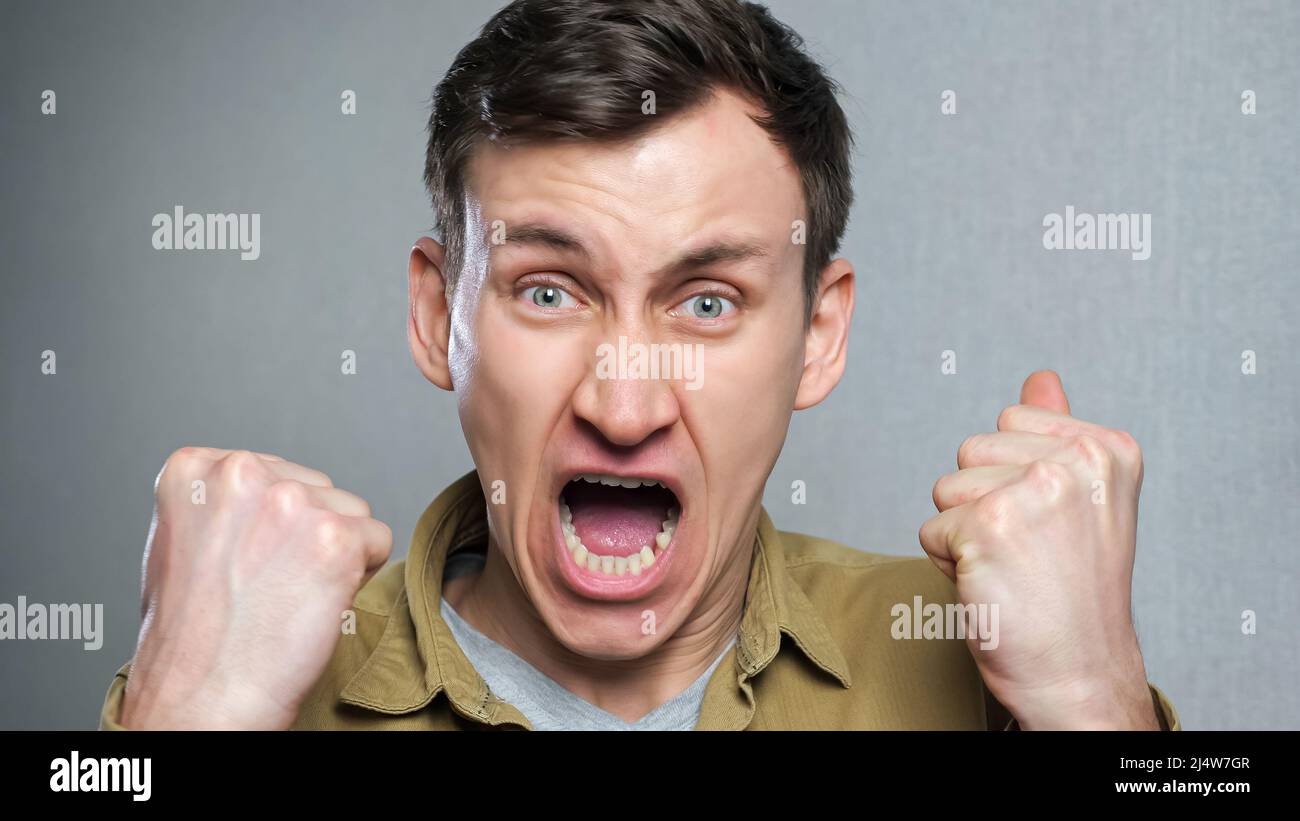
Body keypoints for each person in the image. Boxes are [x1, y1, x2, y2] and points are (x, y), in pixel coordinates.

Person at [100, 0, 1177, 731]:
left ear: (817, 334)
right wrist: (170, 729)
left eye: (706, 300)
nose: (622, 404)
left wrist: (1097, 699)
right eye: (549, 290)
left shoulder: (971, 662)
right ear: (438, 316)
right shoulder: (248, 670)